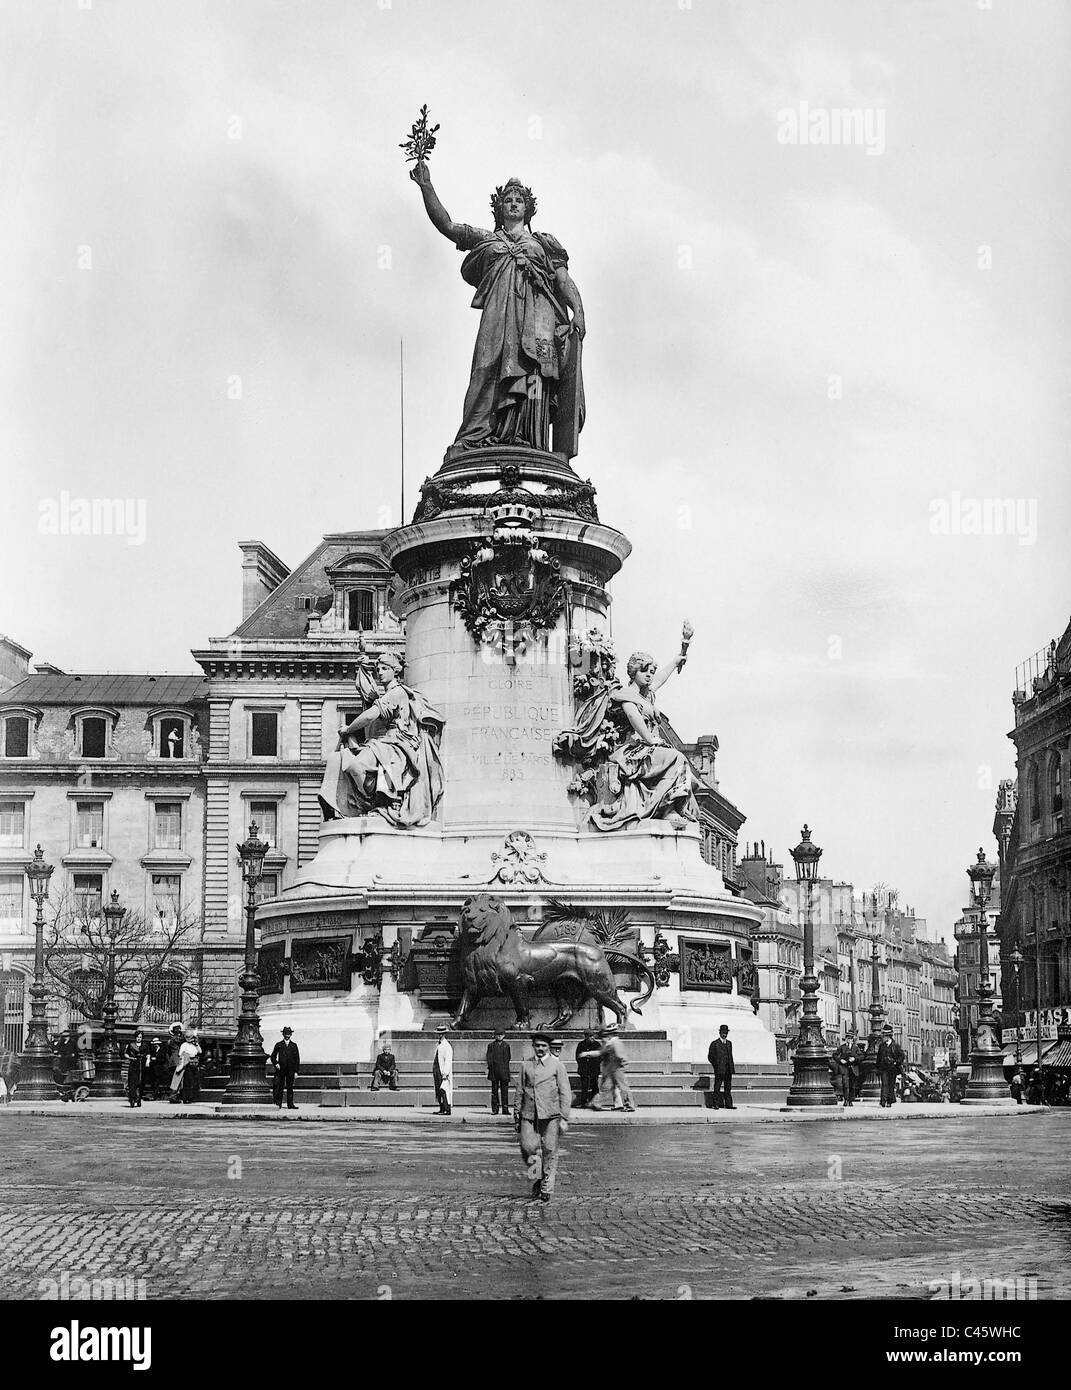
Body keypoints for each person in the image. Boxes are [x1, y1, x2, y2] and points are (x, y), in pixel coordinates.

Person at [410, 163, 586, 454]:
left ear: (528, 209)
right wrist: (427, 187)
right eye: (508, 199)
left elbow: (564, 281)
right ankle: (475, 435)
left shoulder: (543, 244)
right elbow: (448, 226)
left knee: (533, 376)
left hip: (537, 324)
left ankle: (529, 441)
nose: (513, 203)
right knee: (486, 367)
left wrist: (578, 311)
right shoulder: (488, 240)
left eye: (519, 200)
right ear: (499, 207)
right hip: (498, 319)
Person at [318, 655, 445, 829]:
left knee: (359, 762)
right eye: (378, 669)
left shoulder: (397, 693)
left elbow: (371, 715)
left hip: (397, 746)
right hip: (383, 743)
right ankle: (352, 805)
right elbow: (371, 703)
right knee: (338, 759)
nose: (380, 673)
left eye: (385, 669)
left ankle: (382, 801)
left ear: (396, 671)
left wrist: (349, 729)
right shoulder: (387, 695)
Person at [513, 1034, 572, 1202]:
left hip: (551, 1114)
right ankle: (536, 1177)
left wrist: (564, 1117)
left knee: (549, 1149)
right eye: (537, 1045)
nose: (540, 1049)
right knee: (528, 1148)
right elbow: (519, 1090)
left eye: (543, 1046)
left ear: (548, 1047)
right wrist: (516, 1114)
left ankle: (546, 1186)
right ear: (533, 1046)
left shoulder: (557, 1066)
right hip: (529, 1113)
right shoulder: (526, 1065)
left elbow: (565, 1092)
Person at [589, 1024, 636, 1112]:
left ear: (610, 1034)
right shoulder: (611, 1043)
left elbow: (620, 1055)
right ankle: (596, 1103)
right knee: (607, 1086)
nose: (604, 1038)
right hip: (612, 1069)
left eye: (606, 1035)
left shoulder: (615, 1043)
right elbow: (601, 1052)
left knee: (623, 1087)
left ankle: (630, 1105)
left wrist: (623, 1065)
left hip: (617, 1068)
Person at [270, 1027, 300, 1109]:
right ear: (283, 1034)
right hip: (281, 1070)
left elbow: (297, 1059)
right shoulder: (279, 1045)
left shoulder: (294, 1045)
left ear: (291, 1034)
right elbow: (272, 1056)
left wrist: (296, 1071)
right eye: (286, 1033)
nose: (287, 1035)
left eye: (289, 1033)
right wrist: (276, 1064)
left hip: (291, 1070)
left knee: (290, 1087)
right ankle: (278, 1103)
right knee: (280, 1087)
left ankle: (290, 1104)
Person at [707, 1025, 736, 1110]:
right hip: (719, 1070)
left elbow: (730, 1056)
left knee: (728, 1088)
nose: (724, 1035)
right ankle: (716, 1104)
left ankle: (729, 1104)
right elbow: (710, 1057)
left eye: (726, 1033)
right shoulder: (715, 1043)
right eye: (723, 1033)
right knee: (717, 1087)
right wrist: (716, 1065)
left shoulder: (729, 1043)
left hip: (728, 1069)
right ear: (720, 1033)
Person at [875, 1025, 904, 1108]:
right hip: (884, 1068)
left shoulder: (895, 1046)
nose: (884, 1038)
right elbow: (878, 1058)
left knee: (891, 1084)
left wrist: (896, 1062)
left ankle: (889, 1101)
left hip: (892, 1068)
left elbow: (901, 1056)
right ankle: (883, 1101)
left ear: (889, 1036)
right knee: (884, 1084)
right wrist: (878, 1068)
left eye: (885, 1036)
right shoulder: (882, 1046)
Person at [169, 1030, 200, 1105]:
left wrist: (196, 1044)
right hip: (186, 1064)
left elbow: (199, 1051)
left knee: (192, 1081)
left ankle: (190, 1097)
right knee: (186, 1082)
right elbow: (181, 1054)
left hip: (193, 1064)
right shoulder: (184, 1045)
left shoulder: (194, 1045)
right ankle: (185, 1097)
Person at [486, 1029, 512, 1115]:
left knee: (505, 1091)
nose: (499, 1036)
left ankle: (505, 1109)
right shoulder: (491, 1046)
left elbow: (508, 1058)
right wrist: (491, 1069)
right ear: (494, 1035)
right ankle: (495, 1109)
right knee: (494, 1091)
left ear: (504, 1035)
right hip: (494, 1072)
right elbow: (489, 1059)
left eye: (501, 1034)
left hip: (504, 1072)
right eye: (497, 1035)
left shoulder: (506, 1046)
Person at [575, 1029, 602, 1107]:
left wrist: (594, 1062)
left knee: (595, 1086)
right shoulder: (581, 1044)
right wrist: (583, 1064)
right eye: (590, 1036)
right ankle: (584, 1103)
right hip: (584, 1069)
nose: (592, 1038)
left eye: (593, 1036)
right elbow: (578, 1057)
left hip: (594, 1069)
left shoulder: (597, 1045)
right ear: (586, 1036)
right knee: (584, 1086)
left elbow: (600, 1057)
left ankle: (596, 1103)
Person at [433, 1026, 453, 1115]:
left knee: (444, 1090)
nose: (440, 1035)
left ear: (445, 1034)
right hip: (437, 1070)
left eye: (441, 1034)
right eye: (439, 1034)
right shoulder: (438, 1045)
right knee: (439, 1090)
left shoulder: (447, 1046)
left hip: (443, 1071)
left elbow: (448, 1060)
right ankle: (441, 1108)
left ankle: (446, 1109)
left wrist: (445, 1073)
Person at [124, 1031, 144, 1109]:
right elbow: (126, 1054)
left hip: (141, 1065)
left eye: (140, 1037)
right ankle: (132, 1099)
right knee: (132, 1083)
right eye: (138, 1037)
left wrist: (148, 1059)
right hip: (133, 1065)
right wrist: (130, 1058)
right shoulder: (131, 1045)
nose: (139, 1038)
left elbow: (148, 1054)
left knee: (140, 1082)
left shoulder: (144, 1045)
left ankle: (139, 1099)